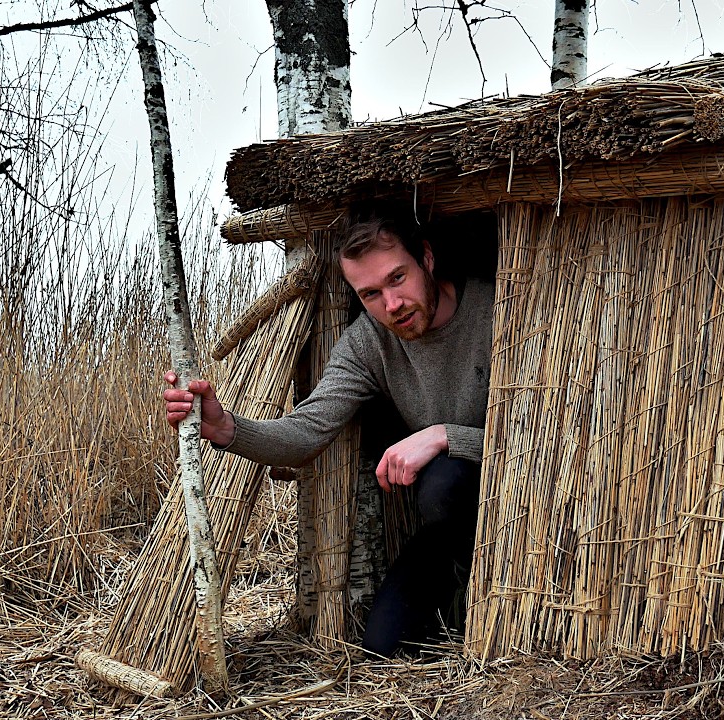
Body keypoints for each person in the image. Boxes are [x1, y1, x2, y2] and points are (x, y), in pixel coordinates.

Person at [163, 206, 493, 657]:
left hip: (523, 499)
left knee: (443, 480)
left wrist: (443, 436)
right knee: (384, 645)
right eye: (371, 293)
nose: (391, 305)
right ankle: (462, 592)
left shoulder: (496, 311)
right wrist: (226, 427)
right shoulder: (369, 342)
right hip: (447, 525)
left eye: (398, 278)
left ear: (427, 259)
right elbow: (307, 430)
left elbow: (541, 430)